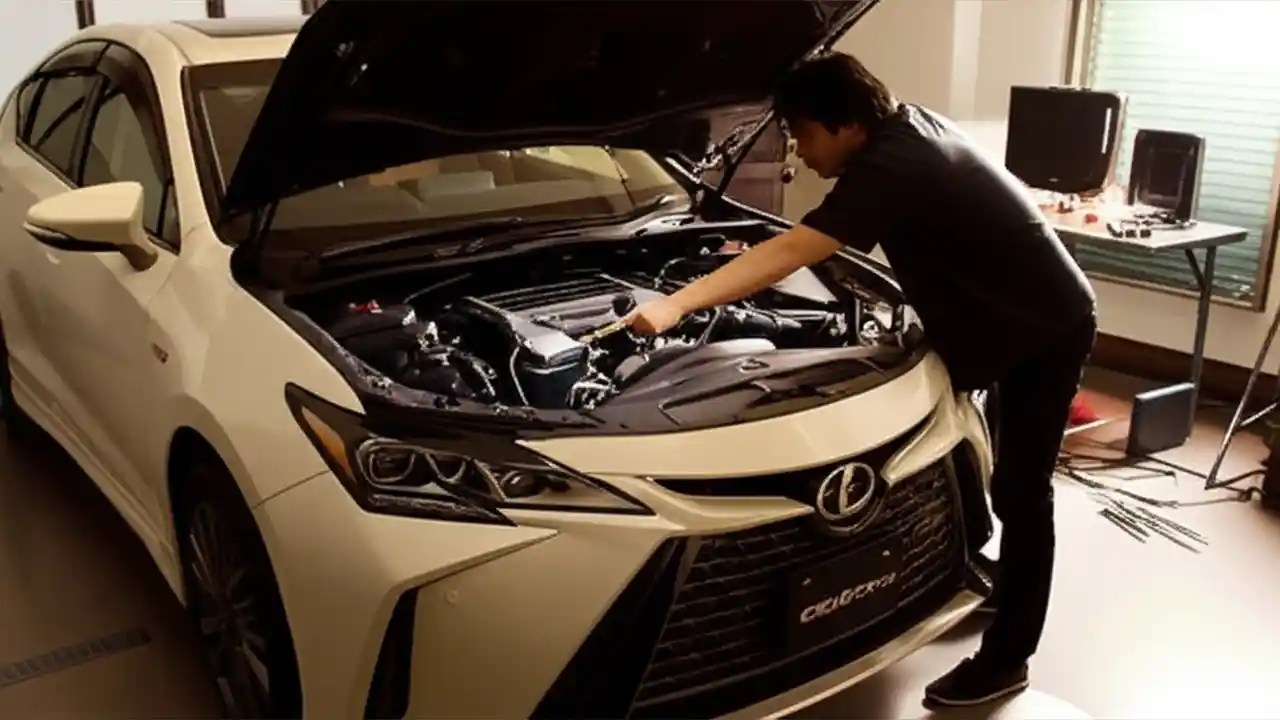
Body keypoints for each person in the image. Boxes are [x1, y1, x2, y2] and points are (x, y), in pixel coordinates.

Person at [621, 52, 1097, 707]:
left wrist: (677, 304)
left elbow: (795, 251)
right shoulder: (909, 128)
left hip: (1044, 328)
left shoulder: (895, 166)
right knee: (997, 470)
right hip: (1009, 313)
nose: (798, 151)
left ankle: (1008, 655)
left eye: (800, 133)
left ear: (844, 124)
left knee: (1021, 490)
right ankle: (993, 577)